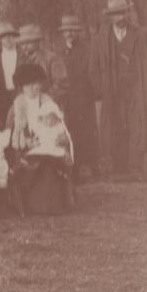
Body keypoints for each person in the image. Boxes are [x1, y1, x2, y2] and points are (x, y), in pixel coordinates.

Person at [90, 0, 147, 178]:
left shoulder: (141, 35)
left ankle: (135, 167)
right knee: (115, 125)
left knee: (136, 124)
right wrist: (101, 90)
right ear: (110, 16)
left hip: (136, 89)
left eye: (123, 13)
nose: (120, 18)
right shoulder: (101, 39)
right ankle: (119, 166)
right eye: (116, 14)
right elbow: (94, 67)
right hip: (113, 90)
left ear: (128, 13)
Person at [8, 65, 75, 214]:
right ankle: (34, 203)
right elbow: (10, 136)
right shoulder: (16, 107)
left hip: (50, 147)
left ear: (41, 84)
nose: (33, 88)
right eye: (28, 85)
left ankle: (52, 203)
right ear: (22, 87)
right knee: (35, 164)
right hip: (26, 150)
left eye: (36, 83)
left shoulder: (49, 103)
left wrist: (59, 138)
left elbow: (61, 126)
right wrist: (26, 142)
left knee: (49, 164)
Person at [58, 14, 99, 176]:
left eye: (72, 30)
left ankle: (90, 164)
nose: (69, 34)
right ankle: (74, 165)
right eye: (66, 31)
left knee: (87, 130)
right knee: (70, 129)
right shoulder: (60, 52)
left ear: (78, 32)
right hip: (67, 98)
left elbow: (90, 73)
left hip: (83, 95)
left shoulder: (86, 50)